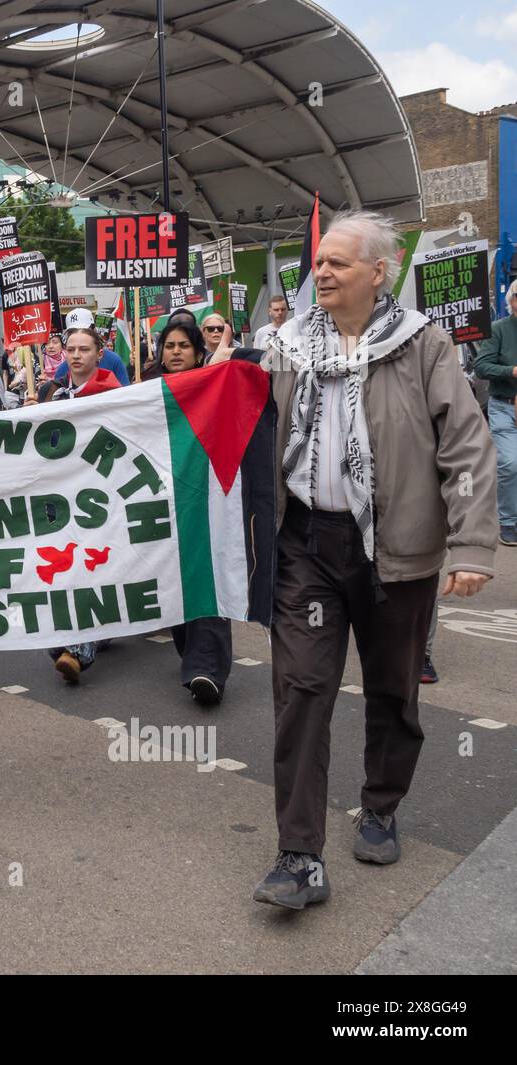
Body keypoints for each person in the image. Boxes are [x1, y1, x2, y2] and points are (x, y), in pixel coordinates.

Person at [243, 210, 496, 910]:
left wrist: (472, 544)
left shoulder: (424, 345)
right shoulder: (284, 346)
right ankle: (298, 856)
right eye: (318, 262)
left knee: (393, 691)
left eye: (337, 263)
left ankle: (380, 805)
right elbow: (238, 420)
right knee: (300, 692)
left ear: (379, 273)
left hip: (396, 552)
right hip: (306, 548)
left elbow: (467, 447)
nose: (320, 272)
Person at [148, 321, 234, 705]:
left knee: (207, 578)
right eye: (169, 345)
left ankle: (206, 669)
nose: (176, 351)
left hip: (210, 497)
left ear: (199, 351)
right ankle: (192, 654)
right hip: (162, 503)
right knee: (176, 580)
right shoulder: (146, 395)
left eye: (184, 345)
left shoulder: (217, 385)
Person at [33, 326, 121, 682]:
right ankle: (76, 640)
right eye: (70, 348)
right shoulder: (52, 394)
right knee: (62, 564)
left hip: (95, 494)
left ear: (99, 354)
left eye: (84, 348)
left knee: (90, 564)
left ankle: (79, 648)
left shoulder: (113, 394)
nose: (76, 355)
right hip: (59, 493)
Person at [473, 278, 517, 546]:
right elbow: (481, 367)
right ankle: (508, 521)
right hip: (504, 405)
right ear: (511, 301)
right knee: (511, 463)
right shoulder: (499, 329)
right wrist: (510, 371)